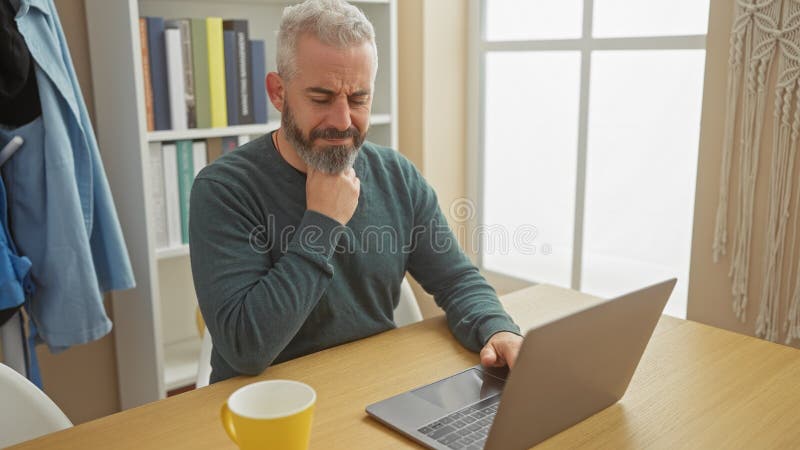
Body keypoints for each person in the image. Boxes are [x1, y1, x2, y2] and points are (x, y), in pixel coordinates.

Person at [189, 0, 523, 383]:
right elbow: (247, 348)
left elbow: (457, 280)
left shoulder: (395, 175)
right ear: (278, 92)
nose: (343, 121)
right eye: (321, 98)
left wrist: (497, 329)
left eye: (359, 98)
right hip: (265, 409)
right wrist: (323, 221)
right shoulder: (223, 190)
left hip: (370, 392)